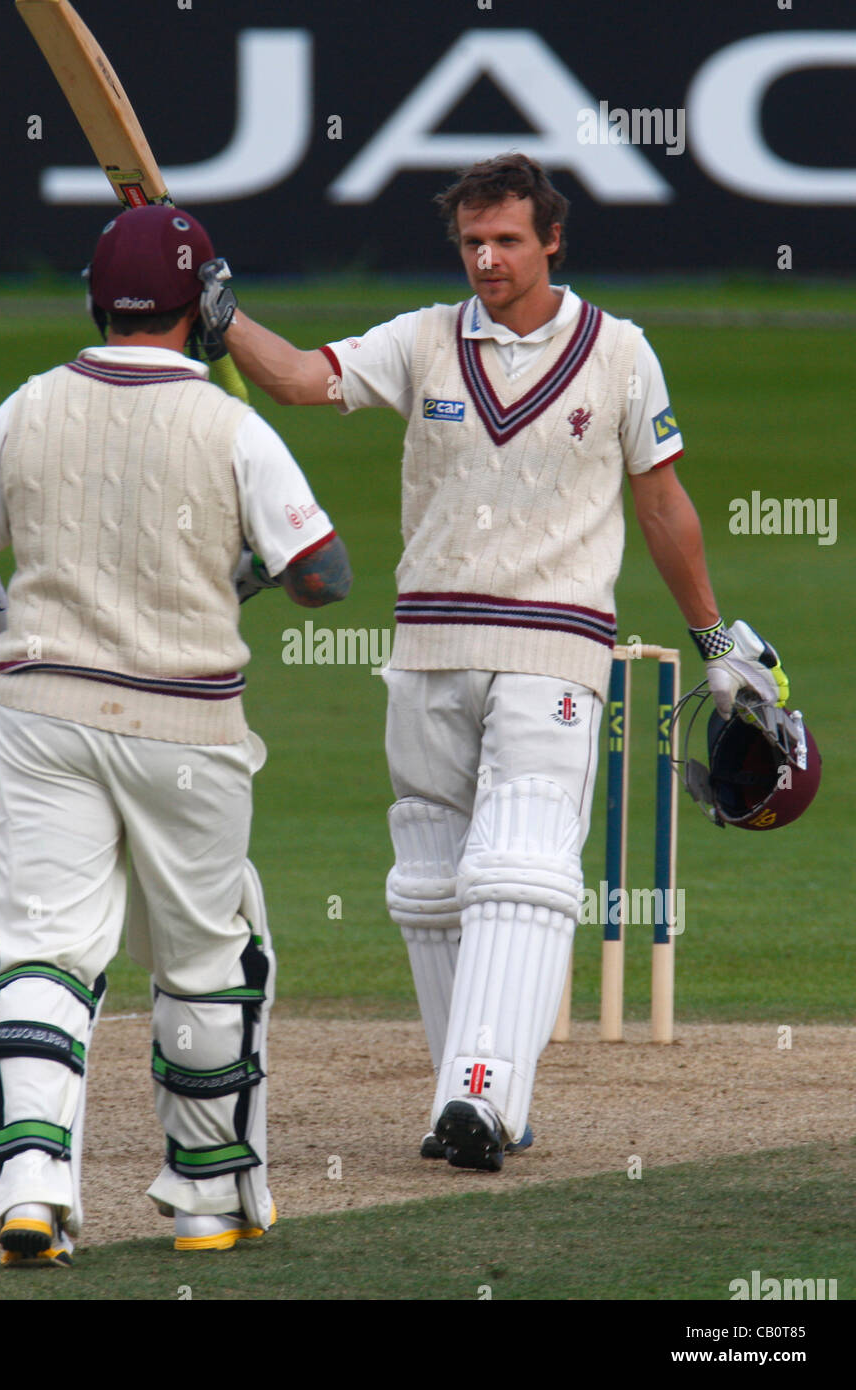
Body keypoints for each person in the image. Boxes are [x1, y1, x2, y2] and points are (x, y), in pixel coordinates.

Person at [202, 152, 779, 1171]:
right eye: (472, 241)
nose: (487, 259)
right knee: (429, 884)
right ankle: (483, 1101)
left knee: (518, 866)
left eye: (508, 239)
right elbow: (296, 378)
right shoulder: (423, 339)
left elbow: (661, 504)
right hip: (426, 646)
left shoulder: (620, 352)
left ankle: (474, 1094)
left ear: (550, 238)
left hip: (553, 648)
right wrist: (218, 308)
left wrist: (708, 637)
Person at [0, 203, 351, 1263]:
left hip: (39, 710)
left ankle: (31, 1184)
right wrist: (242, 570)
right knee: (207, 952)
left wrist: (0, 639)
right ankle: (208, 1198)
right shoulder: (234, 425)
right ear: (204, 306)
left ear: (91, 297)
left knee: (41, 943)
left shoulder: (25, 407)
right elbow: (325, 577)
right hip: (187, 721)